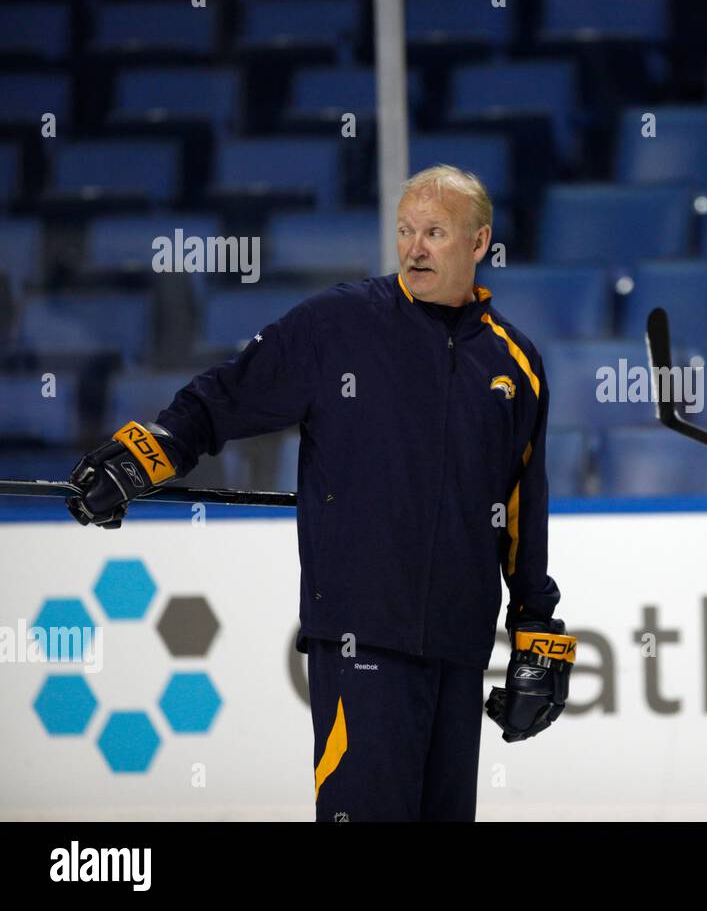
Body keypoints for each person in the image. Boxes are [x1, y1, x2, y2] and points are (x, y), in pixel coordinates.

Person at [65, 164, 574, 821]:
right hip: (361, 637)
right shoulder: (340, 324)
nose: (415, 248)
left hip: (458, 644)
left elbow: (521, 507)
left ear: (478, 244)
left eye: (435, 234)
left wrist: (535, 624)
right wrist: (144, 455)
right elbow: (222, 398)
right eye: (406, 232)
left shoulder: (515, 364)